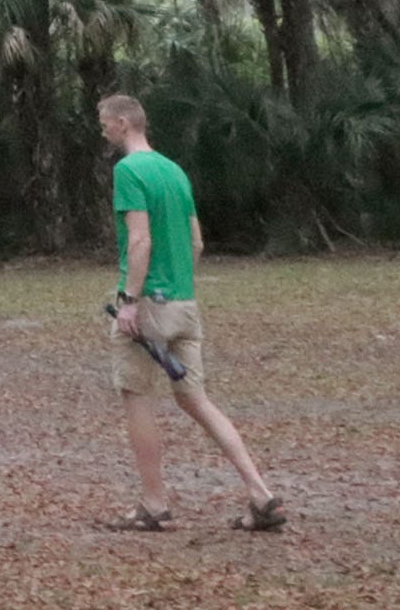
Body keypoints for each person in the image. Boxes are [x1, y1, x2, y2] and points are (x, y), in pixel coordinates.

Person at [95, 93, 284, 533]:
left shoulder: (128, 171)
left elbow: (139, 241)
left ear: (123, 123)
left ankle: (154, 504)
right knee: (195, 399)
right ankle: (260, 492)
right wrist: (177, 287)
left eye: (105, 122)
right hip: (184, 302)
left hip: (148, 305)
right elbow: (196, 241)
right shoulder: (174, 170)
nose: (102, 129)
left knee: (136, 396)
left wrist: (129, 301)